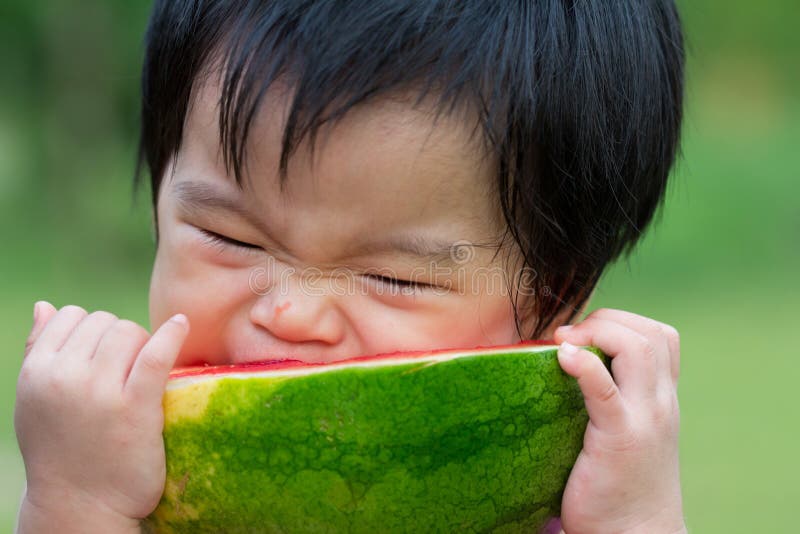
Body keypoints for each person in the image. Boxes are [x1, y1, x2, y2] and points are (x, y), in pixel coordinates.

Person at [14, 1, 687, 532]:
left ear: (553, 289)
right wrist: (76, 501)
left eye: (395, 278)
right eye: (230, 237)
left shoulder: (572, 510)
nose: (292, 311)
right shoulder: (123, 480)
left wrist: (637, 520)